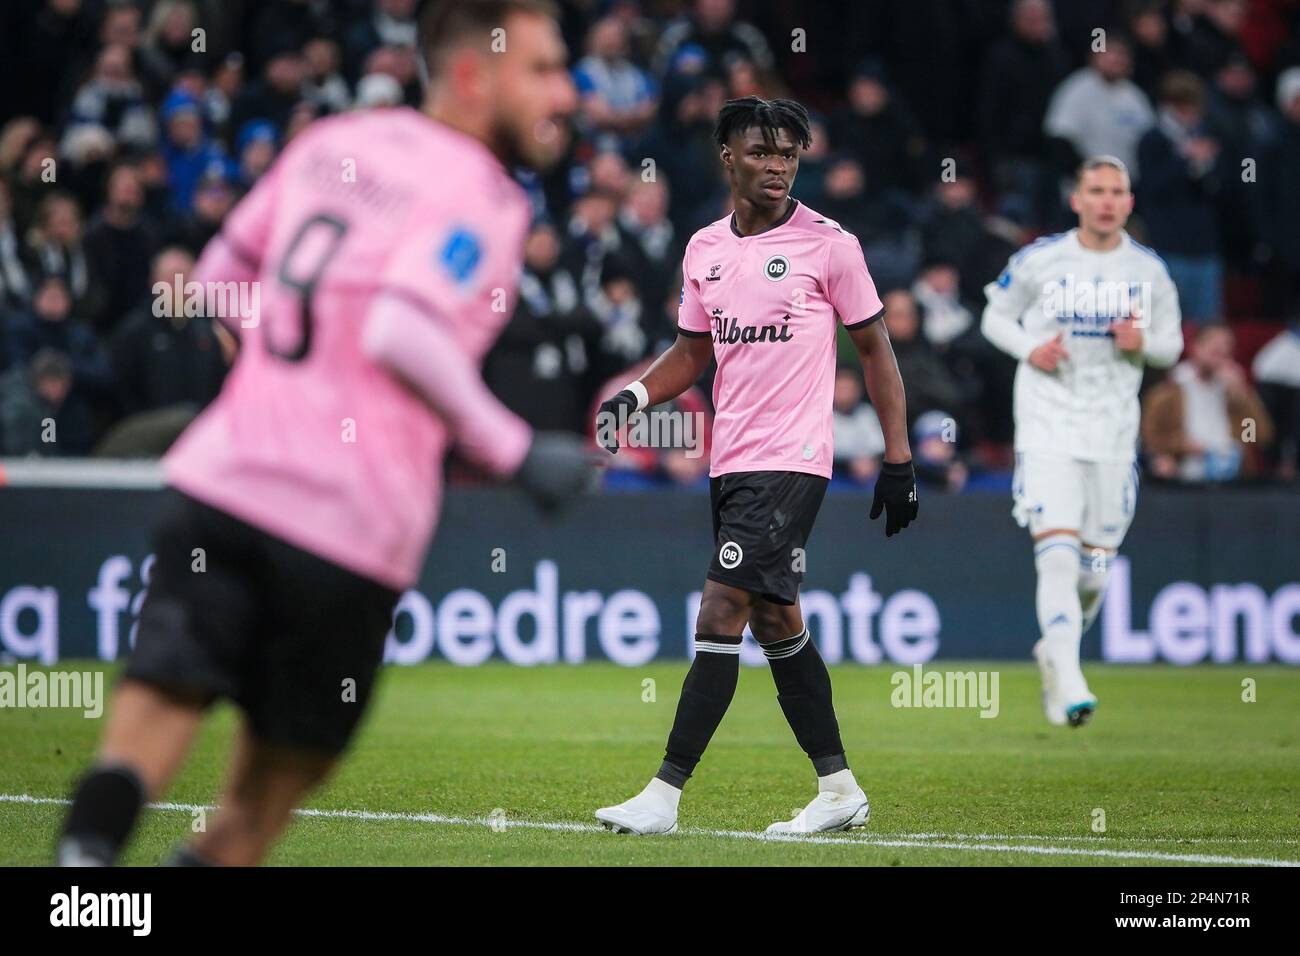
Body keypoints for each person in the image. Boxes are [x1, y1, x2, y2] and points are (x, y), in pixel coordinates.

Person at [57, 0, 591, 868]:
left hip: (225, 488)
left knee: (139, 738)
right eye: (541, 68)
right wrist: (517, 449)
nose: (564, 92)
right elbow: (400, 333)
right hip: (346, 532)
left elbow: (221, 276)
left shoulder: (332, 144)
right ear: (470, 74)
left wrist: (279, 392)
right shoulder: (484, 196)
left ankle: (82, 883)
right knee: (255, 812)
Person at [592, 96, 917, 836]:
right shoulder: (705, 247)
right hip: (731, 459)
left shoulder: (831, 245)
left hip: (793, 459)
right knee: (775, 618)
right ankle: (839, 790)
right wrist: (636, 394)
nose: (777, 166)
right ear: (728, 157)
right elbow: (693, 352)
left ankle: (664, 796)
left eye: (789, 155)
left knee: (719, 609)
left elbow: (875, 350)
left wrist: (898, 459)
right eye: (762, 152)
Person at [981, 155, 1183, 728]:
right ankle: (1070, 679)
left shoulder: (1149, 272)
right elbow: (994, 317)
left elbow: (1171, 346)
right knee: (1058, 556)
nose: (1106, 200)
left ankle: (1055, 650)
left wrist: (1140, 342)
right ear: (1077, 199)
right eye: (1096, 190)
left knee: (1094, 571)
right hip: (1048, 426)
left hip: (1114, 434)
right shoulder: (1042, 259)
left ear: (1129, 202)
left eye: (1117, 190)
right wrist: (1030, 349)